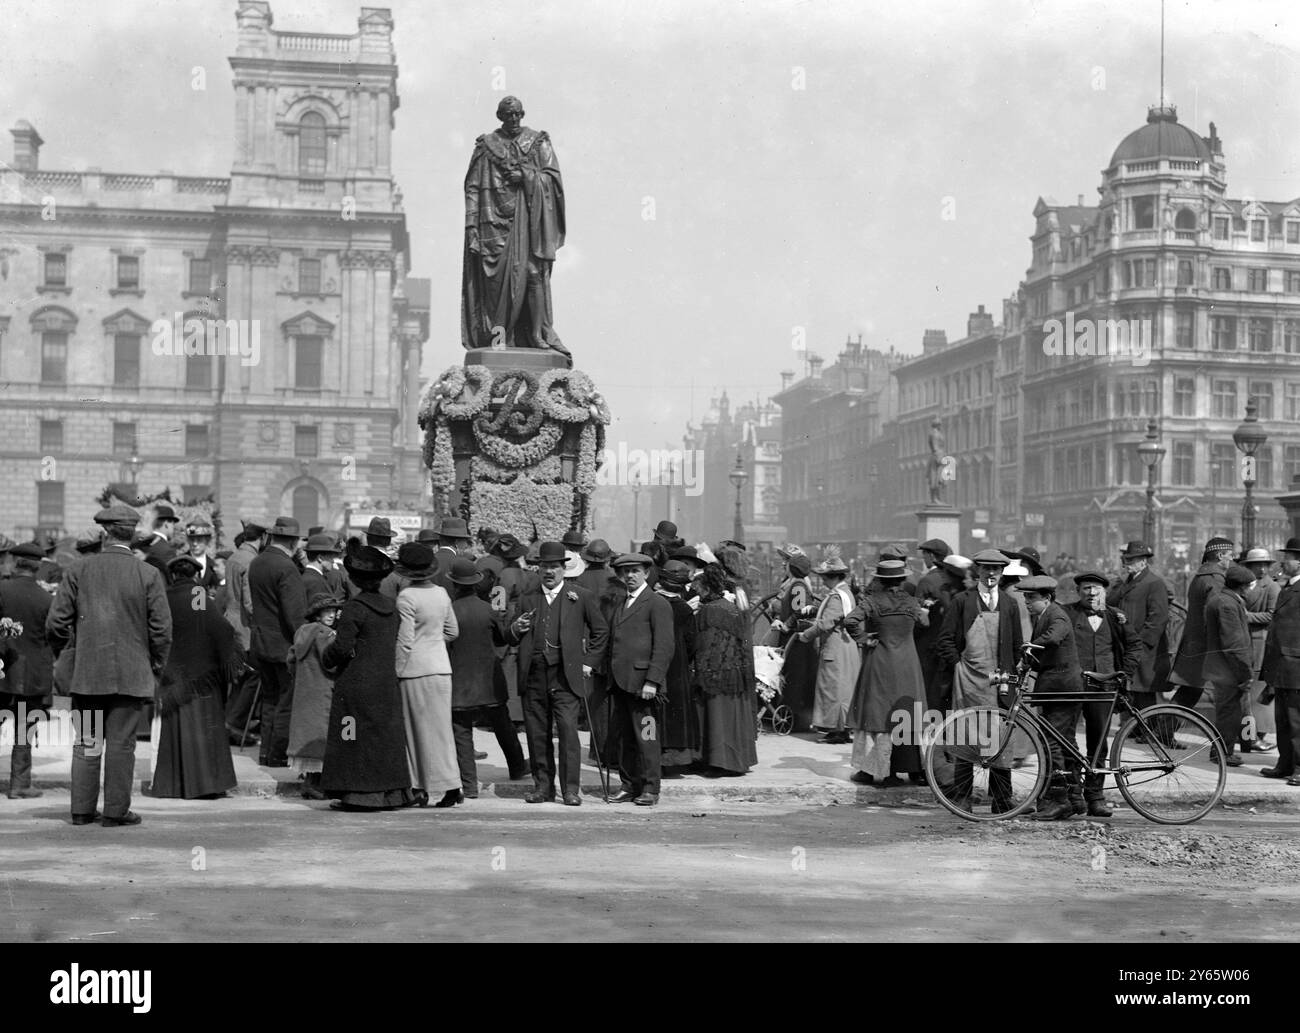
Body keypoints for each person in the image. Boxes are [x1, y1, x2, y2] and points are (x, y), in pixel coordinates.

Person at [46, 504, 172, 827]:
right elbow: (162, 630)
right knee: (122, 744)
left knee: (86, 742)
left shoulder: (78, 571)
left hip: (88, 674)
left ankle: (81, 811)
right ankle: (116, 812)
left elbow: (56, 624)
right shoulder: (148, 574)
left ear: (105, 533)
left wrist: (69, 652)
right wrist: (155, 664)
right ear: (132, 536)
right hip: (132, 673)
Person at [462, 95, 569, 359]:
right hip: (492, 226)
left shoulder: (537, 142)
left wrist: (527, 177)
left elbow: (552, 180)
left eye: (518, 115)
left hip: (527, 220)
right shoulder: (486, 146)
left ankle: (536, 334)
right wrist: (471, 228)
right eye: (508, 115)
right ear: (499, 116)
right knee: (494, 289)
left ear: (523, 114)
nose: (514, 119)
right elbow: (473, 188)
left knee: (533, 273)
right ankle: (500, 338)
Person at [507, 541, 608, 805]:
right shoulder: (528, 597)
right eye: (544, 567)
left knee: (568, 734)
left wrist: (589, 662)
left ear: (564, 569)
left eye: (554, 567)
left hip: (566, 678)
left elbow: (601, 631)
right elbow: (510, 635)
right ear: (538, 569)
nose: (549, 572)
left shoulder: (580, 596)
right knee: (537, 734)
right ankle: (543, 787)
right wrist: (516, 627)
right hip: (534, 676)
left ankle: (570, 789)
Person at [320, 540, 417, 811]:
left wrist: (325, 658)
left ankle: (357, 794)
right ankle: (392, 794)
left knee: (351, 735)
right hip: (385, 682)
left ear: (353, 578)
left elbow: (341, 647)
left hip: (356, 684)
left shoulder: (355, 608)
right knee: (383, 738)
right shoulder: (391, 607)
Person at [935, 549, 1024, 812]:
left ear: (1002, 572)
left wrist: (1013, 671)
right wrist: (959, 666)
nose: (991, 574)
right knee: (966, 736)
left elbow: (1017, 644)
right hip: (969, 681)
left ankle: (1001, 799)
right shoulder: (962, 601)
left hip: (1000, 681)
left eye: (997, 569)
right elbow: (945, 640)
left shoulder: (1009, 604)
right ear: (978, 572)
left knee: (1000, 739)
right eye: (986, 569)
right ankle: (963, 797)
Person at [149, 555, 239, 800]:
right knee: (202, 732)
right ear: (195, 575)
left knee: (175, 733)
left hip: (172, 675)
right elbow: (218, 628)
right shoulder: (198, 596)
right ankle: (204, 785)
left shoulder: (164, 597)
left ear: (174, 575)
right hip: (201, 675)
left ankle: (172, 786)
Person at [447, 557, 528, 797]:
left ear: (454, 584)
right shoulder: (488, 610)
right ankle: (517, 766)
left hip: (459, 682)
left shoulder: (449, 611)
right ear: (475, 583)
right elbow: (503, 639)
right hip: (489, 680)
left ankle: (469, 785)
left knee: (462, 732)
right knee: (503, 725)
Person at [845, 560, 929, 787]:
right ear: (902, 579)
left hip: (880, 661)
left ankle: (871, 770)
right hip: (907, 664)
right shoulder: (913, 603)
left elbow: (850, 621)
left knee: (877, 716)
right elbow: (924, 622)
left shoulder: (871, 602)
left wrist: (865, 638)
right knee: (906, 713)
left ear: (880, 580)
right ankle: (909, 768)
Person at [1065, 571, 1141, 817]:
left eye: (1097, 589)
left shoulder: (1116, 617)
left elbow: (1134, 645)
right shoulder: (1067, 613)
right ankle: (1073, 794)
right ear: (1079, 592)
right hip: (1074, 685)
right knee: (1066, 738)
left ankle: (1095, 796)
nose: (1092, 594)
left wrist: (1124, 674)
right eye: (1086, 589)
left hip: (1104, 687)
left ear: (1105, 593)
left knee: (1098, 742)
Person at [393, 542, 462, 808]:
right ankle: (452, 785)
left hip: (415, 669)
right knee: (442, 730)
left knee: (415, 732)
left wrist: (398, 670)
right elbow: (453, 631)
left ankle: (419, 786)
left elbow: (405, 640)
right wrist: (433, 642)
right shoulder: (442, 593)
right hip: (441, 667)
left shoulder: (407, 597)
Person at [605, 552, 674, 805]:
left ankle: (650, 788)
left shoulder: (657, 603)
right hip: (621, 684)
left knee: (647, 737)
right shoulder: (622, 603)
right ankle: (629, 785)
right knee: (625, 739)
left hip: (643, 686)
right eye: (626, 572)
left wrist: (652, 681)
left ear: (646, 573)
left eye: (635, 571)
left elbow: (665, 646)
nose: (630, 576)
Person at [1018, 574, 1083, 821]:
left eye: (1031, 598)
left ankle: (1060, 799)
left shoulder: (1057, 615)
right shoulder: (1044, 615)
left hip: (1062, 688)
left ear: (1046, 598)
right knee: (1065, 741)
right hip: (1056, 687)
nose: (1027, 602)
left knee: (1051, 741)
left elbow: (1054, 637)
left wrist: (1029, 646)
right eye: (1025, 597)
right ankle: (1076, 797)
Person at [248, 516, 307, 767]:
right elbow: (294, 614)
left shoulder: (257, 562)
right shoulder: (286, 567)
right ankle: (277, 754)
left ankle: (266, 752)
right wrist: (304, 642)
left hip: (261, 642)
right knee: (286, 701)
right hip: (283, 645)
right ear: (294, 541)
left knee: (270, 700)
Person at [0, 542, 54, 798]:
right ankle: (19, 784)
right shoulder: (46, 598)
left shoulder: (2, 589)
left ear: (14, 561)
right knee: (25, 729)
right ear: (39, 566)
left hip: (2, 672)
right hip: (33, 675)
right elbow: (57, 636)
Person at [692, 563, 756, 776]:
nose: (697, 592)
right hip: (734, 672)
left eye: (699, 588)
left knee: (718, 720)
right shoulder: (731, 607)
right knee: (730, 721)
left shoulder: (709, 610)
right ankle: (732, 761)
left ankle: (720, 763)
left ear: (708, 588)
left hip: (715, 674)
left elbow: (703, 645)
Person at [797, 553, 860, 745]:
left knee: (833, 689)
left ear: (833, 577)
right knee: (842, 689)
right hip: (845, 647)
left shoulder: (837, 597)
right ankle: (840, 728)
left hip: (835, 648)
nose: (823, 580)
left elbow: (825, 623)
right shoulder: (844, 593)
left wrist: (806, 635)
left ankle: (837, 730)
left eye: (825, 577)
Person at [1169, 536, 1235, 711]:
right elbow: (1216, 615)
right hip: (1209, 647)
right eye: (1230, 555)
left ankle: (1162, 728)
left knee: (1190, 691)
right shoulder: (1216, 579)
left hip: (1195, 644)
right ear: (1220, 555)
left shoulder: (1200, 576)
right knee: (1229, 692)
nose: (1232, 559)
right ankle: (1241, 735)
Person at [1105, 541, 1171, 715]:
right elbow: (1110, 602)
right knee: (1134, 689)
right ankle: (1138, 729)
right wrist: (1120, 581)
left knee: (1145, 691)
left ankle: (1150, 732)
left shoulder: (1154, 582)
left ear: (1143, 562)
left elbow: (1158, 617)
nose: (1127, 563)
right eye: (1126, 559)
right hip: (1131, 645)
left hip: (1145, 647)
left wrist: (1140, 643)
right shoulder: (1128, 581)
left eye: (1132, 560)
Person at [287, 592, 341, 801]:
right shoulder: (325, 634)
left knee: (308, 737)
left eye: (334, 610)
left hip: (304, 691)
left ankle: (309, 783)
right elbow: (332, 661)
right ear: (317, 614)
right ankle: (315, 785)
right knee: (321, 737)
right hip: (323, 690)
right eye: (327, 610)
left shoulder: (302, 632)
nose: (332, 614)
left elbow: (290, 660)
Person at [1203, 564, 1257, 768]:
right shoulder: (1227, 604)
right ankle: (1222, 753)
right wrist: (1245, 673)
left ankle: (1222, 751)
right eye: (1249, 586)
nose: (1250, 590)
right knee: (1229, 713)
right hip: (1228, 670)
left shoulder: (1222, 599)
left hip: (1222, 668)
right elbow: (1234, 645)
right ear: (1242, 587)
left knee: (1227, 711)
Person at [653, 560, 701, 774]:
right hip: (678, 666)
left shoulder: (652, 603)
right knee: (676, 711)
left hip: (654, 664)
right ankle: (674, 761)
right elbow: (693, 643)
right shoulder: (684, 609)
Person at [1260, 538, 1300, 786]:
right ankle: (1285, 764)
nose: (1285, 561)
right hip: (1282, 666)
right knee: (1283, 720)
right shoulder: (1288, 588)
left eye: (1291, 557)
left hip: (1296, 666)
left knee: (1298, 721)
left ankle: (1299, 767)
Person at [223, 522, 263, 748]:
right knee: (252, 674)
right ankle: (234, 723)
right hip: (246, 626)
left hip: (231, 621)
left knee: (238, 677)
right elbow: (249, 602)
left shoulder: (234, 557)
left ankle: (230, 722)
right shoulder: (250, 560)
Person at [1240, 547, 1279, 754]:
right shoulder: (1243, 586)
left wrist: (1245, 616)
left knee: (1256, 693)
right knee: (1244, 693)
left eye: (1265, 565)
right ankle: (1248, 737)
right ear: (1248, 567)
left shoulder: (1271, 587)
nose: (1262, 569)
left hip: (1260, 645)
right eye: (1257, 565)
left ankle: (1256, 736)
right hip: (1243, 643)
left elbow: (1272, 615)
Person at [184, 521, 220, 594]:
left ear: (207, 541)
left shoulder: (213, 566)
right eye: (192, 539)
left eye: (199, 540)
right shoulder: (180, 563)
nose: (195, 543)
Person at [301, 534, 340, 599]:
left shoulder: (308, 577)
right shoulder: (315, 582)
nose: (333, 561)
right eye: (331, 557)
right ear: (320, 558)